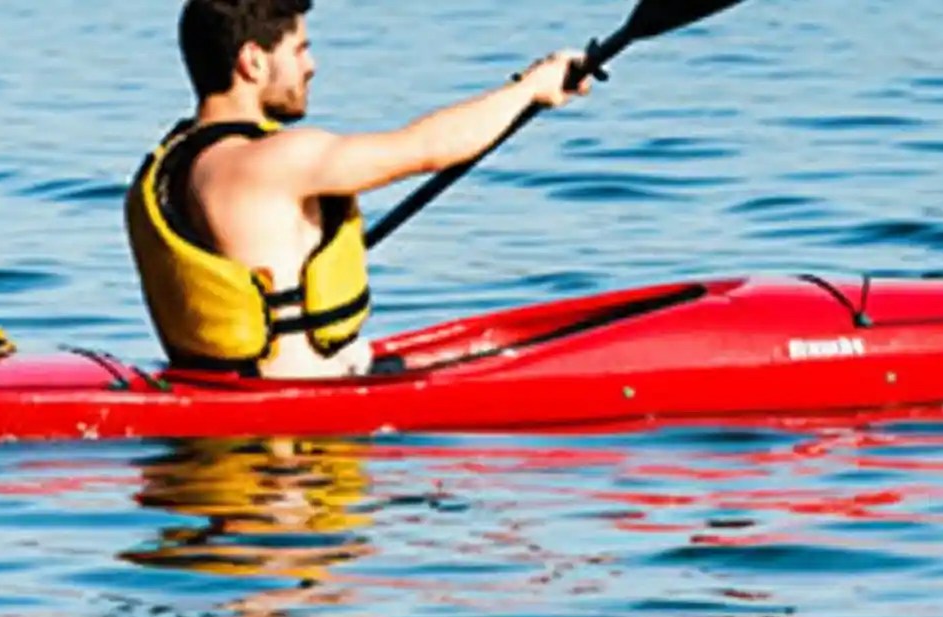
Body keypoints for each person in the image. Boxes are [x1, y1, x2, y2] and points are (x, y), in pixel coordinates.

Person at [124, 0, 594, 379]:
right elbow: (428, 147)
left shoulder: (166, 166)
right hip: (297, 456)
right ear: (252, 60)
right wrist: (531, 88)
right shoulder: (274, 160)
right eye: (300, 50)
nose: (312, 66)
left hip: (219, 397)